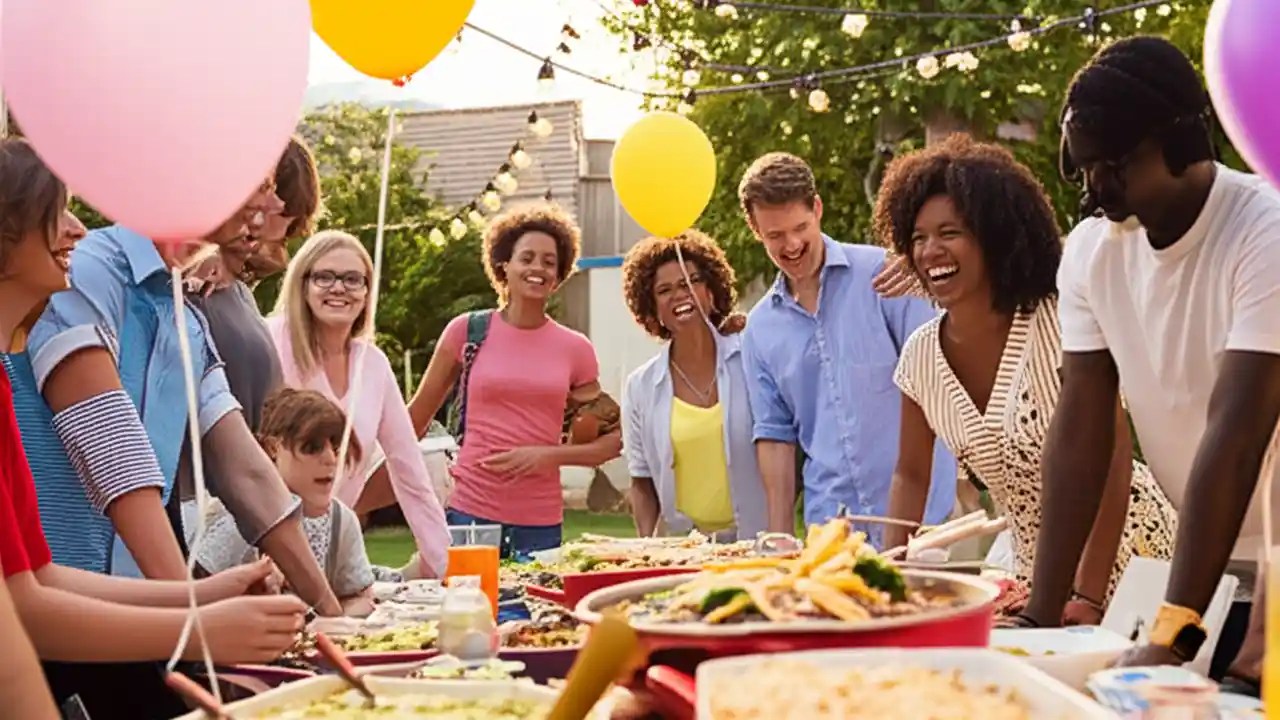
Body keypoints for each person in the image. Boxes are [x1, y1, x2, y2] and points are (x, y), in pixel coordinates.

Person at [0, 137, 312, 720]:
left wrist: (207, 597)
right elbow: (117, 465)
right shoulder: (97, 270)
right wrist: (195, 629)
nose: (264, 205)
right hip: (77, 641)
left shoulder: (187, 303)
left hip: (109, 616)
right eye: (254, 183)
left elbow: (246, 468)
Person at [1022, 37, 1280, 693]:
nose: (1095, 191)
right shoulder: (1089, 254)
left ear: (1185, 144)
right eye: (1081, 171)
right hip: (1213, 569)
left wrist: (1172, 633)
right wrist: (1039, 617)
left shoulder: (1264, 232)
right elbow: (1082, 433)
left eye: (1113, 166)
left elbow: (1237, 433)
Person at [874, 135, 1176, 622]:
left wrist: (1088, 595)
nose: (931, 250)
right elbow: (909, 475)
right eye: (918, 237)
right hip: (1035, 576)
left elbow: (1115, 458)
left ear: (994, 236)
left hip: (1130, 555)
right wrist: (889, 583)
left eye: (950, 232)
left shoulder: (1059, 322)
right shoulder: (919, 357)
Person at [736, 152, 957, 540]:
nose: (790, 245)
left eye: (799, 228)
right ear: (755, 229)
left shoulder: (886, 277)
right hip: (831, 530)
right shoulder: (759, 329)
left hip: (925, 525)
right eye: (774, 235)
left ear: (817, 209)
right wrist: (780, 538)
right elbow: (775, 436)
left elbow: (936, 380)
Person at [406, 203, 622, 558]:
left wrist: (546, 457)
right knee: (469, 610)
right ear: (504, 264)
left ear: (559, 273)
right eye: (527, 258)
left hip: (538, 521)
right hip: (469, 514)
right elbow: (414, 419)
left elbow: (610, 444)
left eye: (549, 262)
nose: (538, 268)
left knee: (530, 612)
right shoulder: (467, 331)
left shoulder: (575, 349)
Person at [267, 230, 450, 577]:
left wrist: (448, 570)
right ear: (302, 284)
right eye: (324, 277)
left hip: (332, 545)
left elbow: (410, 472)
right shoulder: (272, 341)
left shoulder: (374, 364)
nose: (339, 288)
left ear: (367, 292)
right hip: (267, 545)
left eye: (353, 279)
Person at [178, 136, 324, 540]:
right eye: (284, 213)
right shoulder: (193, 286)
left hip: (256, 505)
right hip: (208, 509)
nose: (283, 229)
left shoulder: (239, 291)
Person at [620, 230, 767, 541]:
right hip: (683, 551)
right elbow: (642, 480)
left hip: (756, 544)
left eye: (692, 282)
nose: (680, 293)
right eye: (664, 289)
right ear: (653, 308)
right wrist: (647, 548)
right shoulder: (640, 387)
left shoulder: (752, 358)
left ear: (712, 292)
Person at [195, 389, 376, 617]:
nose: (330, 459)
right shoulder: (240, 518)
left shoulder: (342, 521)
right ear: (273, 448)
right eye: (312, 448)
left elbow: (361, 597)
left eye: (337, 448)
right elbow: (195, 593)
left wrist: (337, 623)